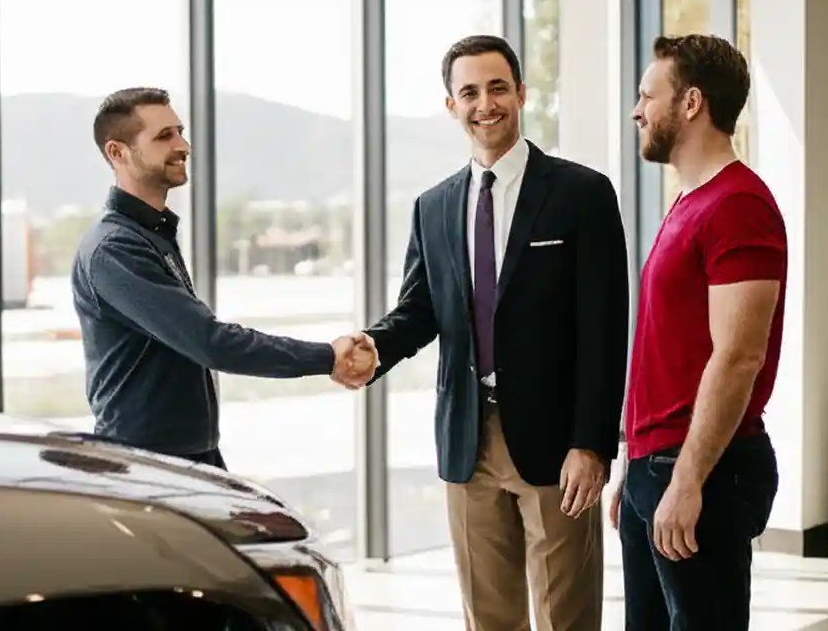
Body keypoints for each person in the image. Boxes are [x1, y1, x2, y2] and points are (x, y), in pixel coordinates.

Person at [362, 36, 629, 631]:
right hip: (466, 439)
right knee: (488, 618)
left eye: (498, 87)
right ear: (451, 105)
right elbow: (419, 311)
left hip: (557, 444)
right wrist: (371, 349)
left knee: (567, 616)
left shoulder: (581, 193)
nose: (486, 103)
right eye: (470, 92)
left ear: (522, 94)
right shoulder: (433, 206)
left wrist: (592, 444)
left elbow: (605, 329)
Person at [72, 87, 377, 470]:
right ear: (117, 152)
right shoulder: (115, 249)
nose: (183, 145)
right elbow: (209, 341)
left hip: (184, 456)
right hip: (149, 465)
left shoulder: (151, 235)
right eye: (164, 136)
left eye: (180, 131)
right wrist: (328, 356)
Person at [614, 34, 785, 629]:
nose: (637, 110)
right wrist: (634, 469)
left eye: (646, 95)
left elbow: (739, 357)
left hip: (698, 471)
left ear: (690, 103)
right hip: (654, 465)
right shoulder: (692, 201)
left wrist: (685, 480)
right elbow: (670, 346)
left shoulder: (738, 205)